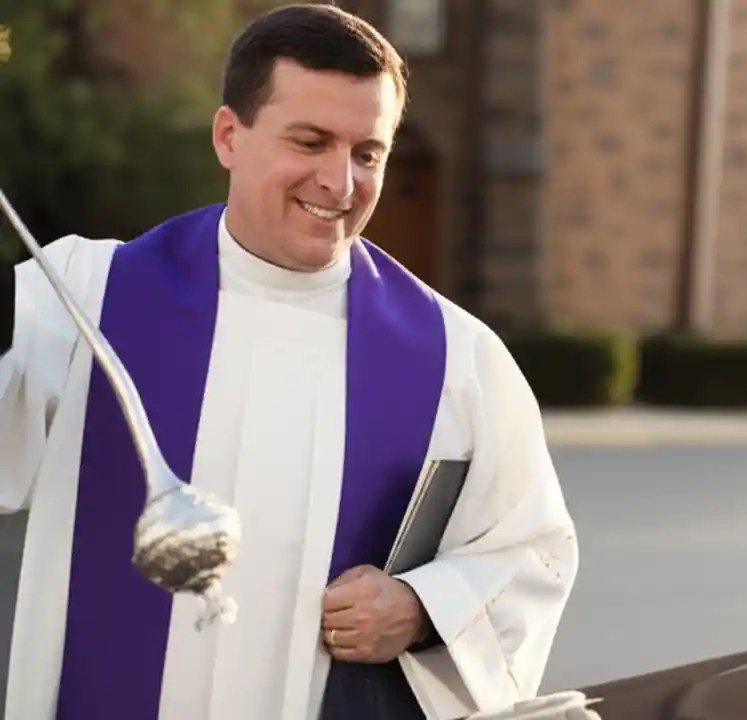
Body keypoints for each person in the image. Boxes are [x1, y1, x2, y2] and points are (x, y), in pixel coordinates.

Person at [0, 4, 578, 719]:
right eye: (310, 142)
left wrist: (421, 608)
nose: (340, 183)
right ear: (228, 137)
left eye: (367, 153)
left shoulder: (456, 357)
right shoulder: (81, 301)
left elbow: (531, 552)